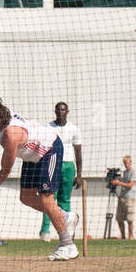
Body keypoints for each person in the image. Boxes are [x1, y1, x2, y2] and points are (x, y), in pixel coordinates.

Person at [0, 36, 78, 261]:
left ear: (1, 118)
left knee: (45, 198)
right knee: (25, 198)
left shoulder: (11, 136)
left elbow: (5, 172)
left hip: (49, 148)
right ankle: (65, 217)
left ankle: (68, 244)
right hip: (32, 155)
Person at [40, 102, 82, 241]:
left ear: (67, 112)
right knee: (49, 198)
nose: (60, 112)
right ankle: (45, 231)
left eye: (63, 110)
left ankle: (65, 231)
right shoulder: (48, 127)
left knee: (65, 199)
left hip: (68, 165)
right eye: (58, 110)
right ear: (55, 111)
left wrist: (79, 174)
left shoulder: (74, 129)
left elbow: (78, 151)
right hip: (53, 164)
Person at [110, 154, 136, 239]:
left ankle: (130, 237)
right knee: (119, 218)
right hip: (122, 197)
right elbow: (121, 181)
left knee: (129, 219)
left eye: (127, 163)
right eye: (125, 163)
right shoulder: (124, 172)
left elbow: (130, 185)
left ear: (130, 162)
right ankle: (123, 236)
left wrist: (118, 183)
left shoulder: (133, 173)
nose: (126, 165)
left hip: (130, 198)